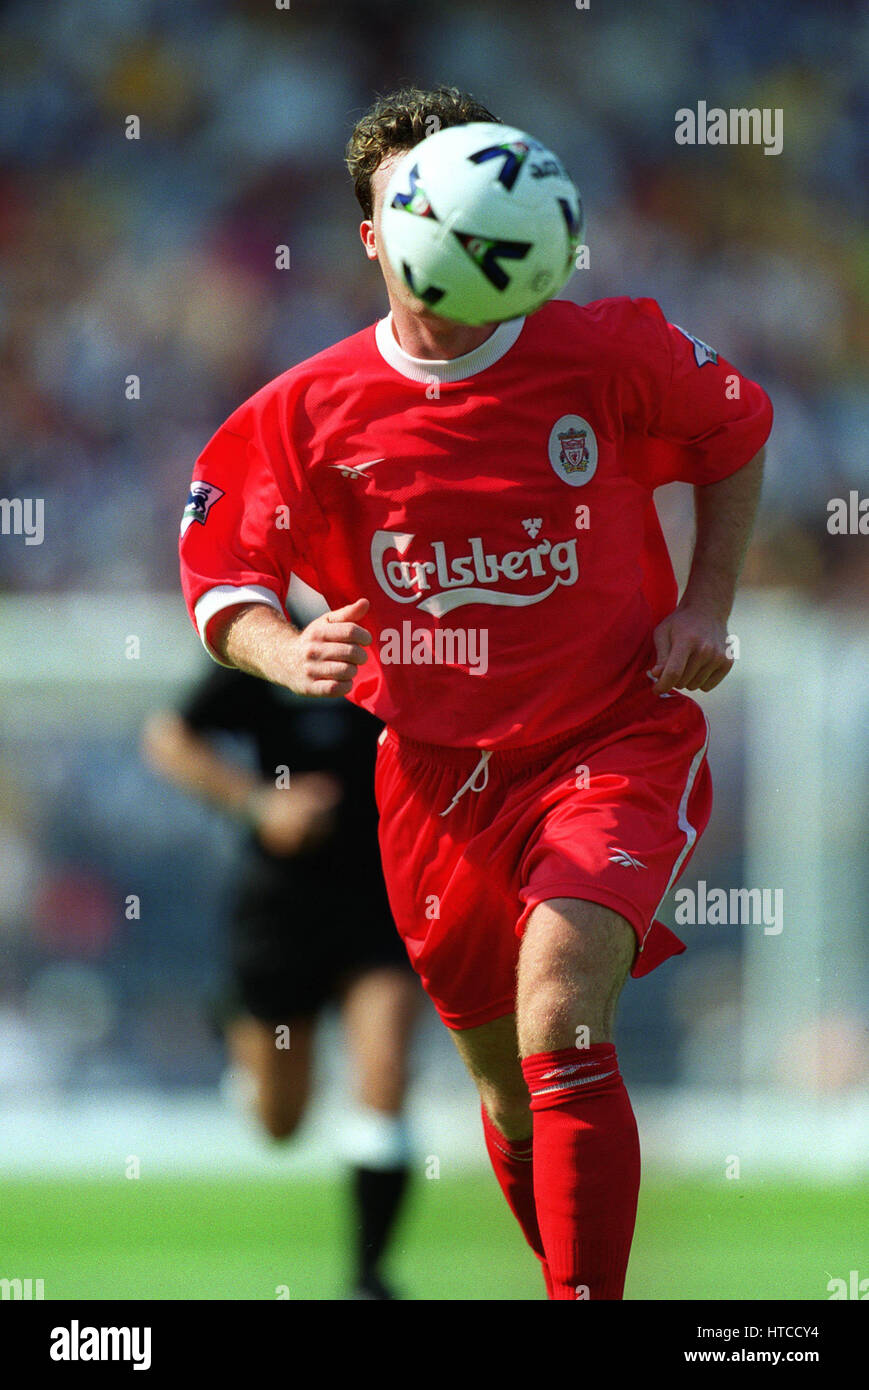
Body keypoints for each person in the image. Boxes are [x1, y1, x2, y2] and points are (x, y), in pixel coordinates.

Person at [177, 84, 772, 1300]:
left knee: (561, 1006)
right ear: (376, 235)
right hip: (434, 785)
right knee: (505, 1084)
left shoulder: (605, 351)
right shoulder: (308, 412)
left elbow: (733, 428)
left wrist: (706, 598)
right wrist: (279, 650)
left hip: (609, 736)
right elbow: (220, 568)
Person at [142, 591, 422, 1301]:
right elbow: (170, 736)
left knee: (384, 1073)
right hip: (283, 904)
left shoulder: (421, 627)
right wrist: (259, 804)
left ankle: (368, 1276)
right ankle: (236, 1016)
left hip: (382, 895)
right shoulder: (276, 634)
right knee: (281, 1124)